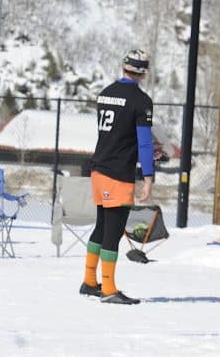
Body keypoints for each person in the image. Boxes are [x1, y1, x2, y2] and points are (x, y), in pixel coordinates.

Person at [80, 49, 154, 305]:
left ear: (124, 67)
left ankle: (90, 282)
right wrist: (148, 176)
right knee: (113, 230)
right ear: (144, 72)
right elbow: (144, 143)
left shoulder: (105, 93)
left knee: (101, 226)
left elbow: (118, 134)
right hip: (118, 173)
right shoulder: (141, 101)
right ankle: (109, 288)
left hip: (98, 168)